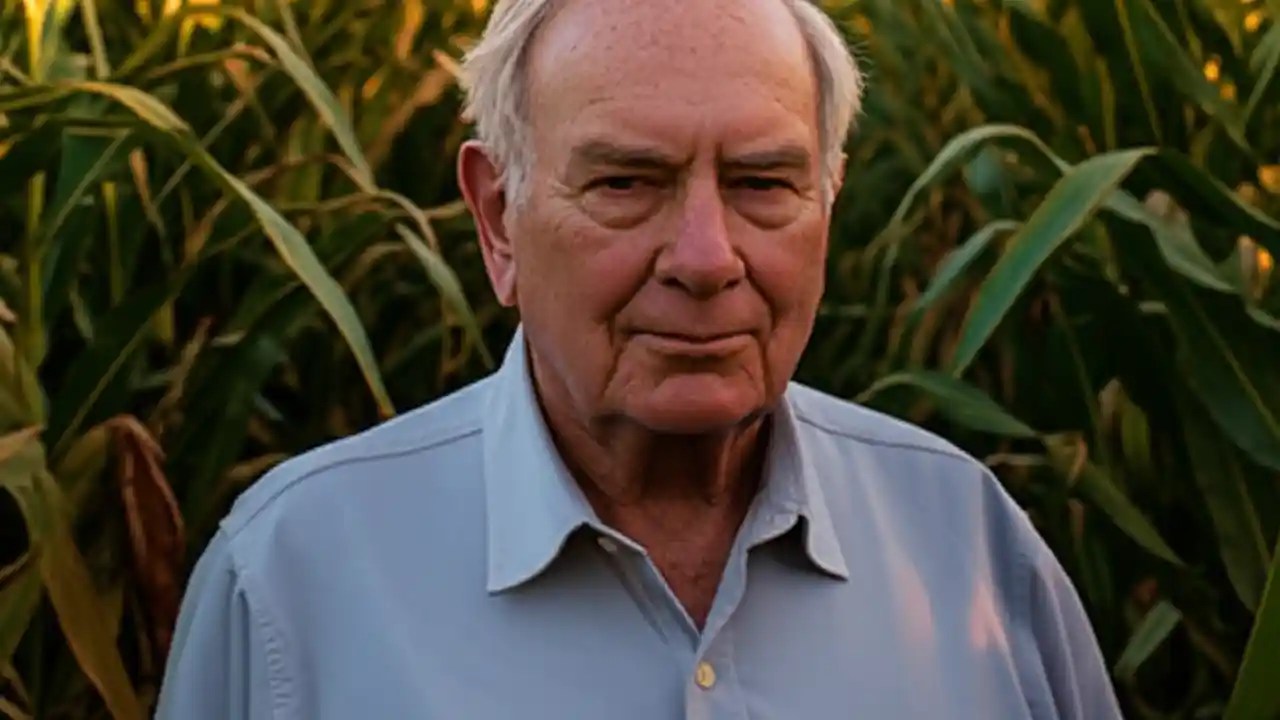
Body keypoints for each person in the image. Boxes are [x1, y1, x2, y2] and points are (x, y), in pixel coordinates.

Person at [156, 0, 1124, 717]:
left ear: (828, 203)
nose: (706, 258)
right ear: (497, 220)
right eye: (626, 182)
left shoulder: (971, 558)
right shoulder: (291, 585)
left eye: (761, 183)